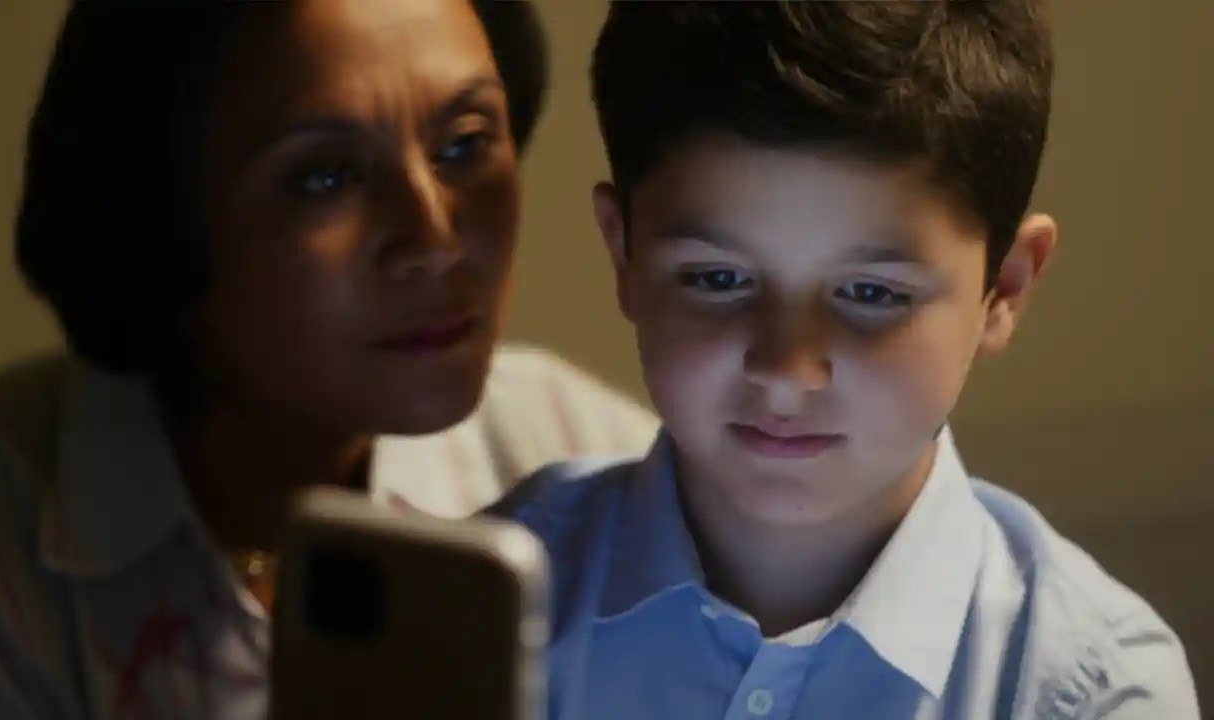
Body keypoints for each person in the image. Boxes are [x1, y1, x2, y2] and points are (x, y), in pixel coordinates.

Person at [0, 1, 656, 717]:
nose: (435, 241)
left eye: (464, 146)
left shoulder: (608, 466)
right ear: (157, 213)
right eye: (327, 176)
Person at [491, 2, 1201, 718]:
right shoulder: (480, 600)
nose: (786, 368)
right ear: (625, 254)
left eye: (871, 292)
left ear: (1005, 286)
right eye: (717, 279)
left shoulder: (1092, 690)